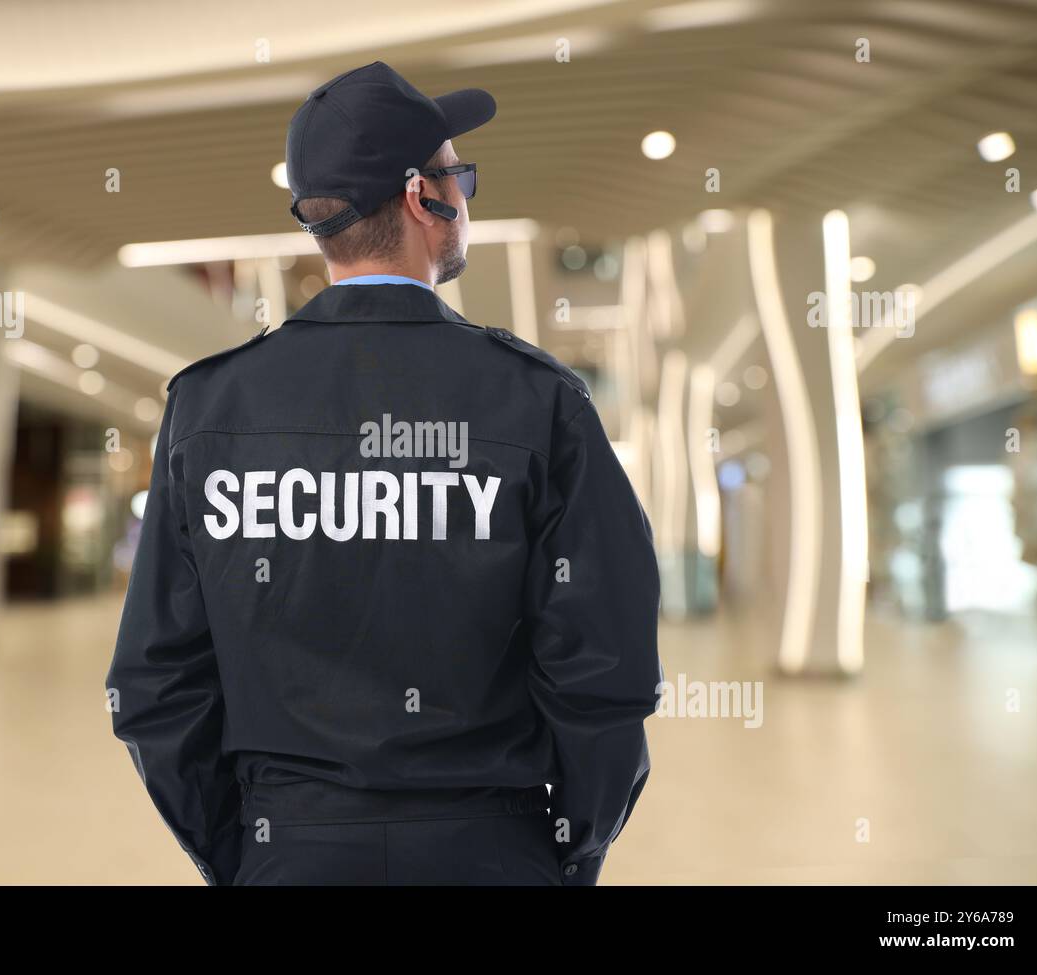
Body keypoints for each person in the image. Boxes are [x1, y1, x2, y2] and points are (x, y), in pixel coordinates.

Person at [106, 60, 661, 886]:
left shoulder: (210, 409)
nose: (463, 197)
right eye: (456, 175)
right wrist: (566, 856)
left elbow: (156, 686)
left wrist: (246, 850)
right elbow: (604, 672)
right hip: (492, 847)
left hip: (286, 844)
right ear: (420, 196)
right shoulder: (537, 402)